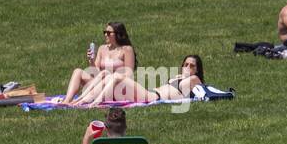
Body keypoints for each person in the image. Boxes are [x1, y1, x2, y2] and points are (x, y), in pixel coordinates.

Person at [76, 54, 204, 107]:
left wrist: (183, 77)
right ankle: (80, 100)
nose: (187, 67)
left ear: (197, 70)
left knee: (117, 77)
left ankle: (95, 104)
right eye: (185, 64)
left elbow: (201, 87)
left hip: (154, 97)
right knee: (106, 74)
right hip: (149, 92)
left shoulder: (194, 79)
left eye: (191, 66)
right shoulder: (179, 78)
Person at [63, 22, 136, 102]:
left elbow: (129, 74)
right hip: (100, 84)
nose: (105, 35)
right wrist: (91, 60)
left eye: (108, 33)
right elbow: (95, 72)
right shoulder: (102, 49)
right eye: (105, 32)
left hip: (116, 87)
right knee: (78, 71)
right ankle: (66, 101)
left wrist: (112, 77)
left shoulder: (126, 49)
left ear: (118, 34)